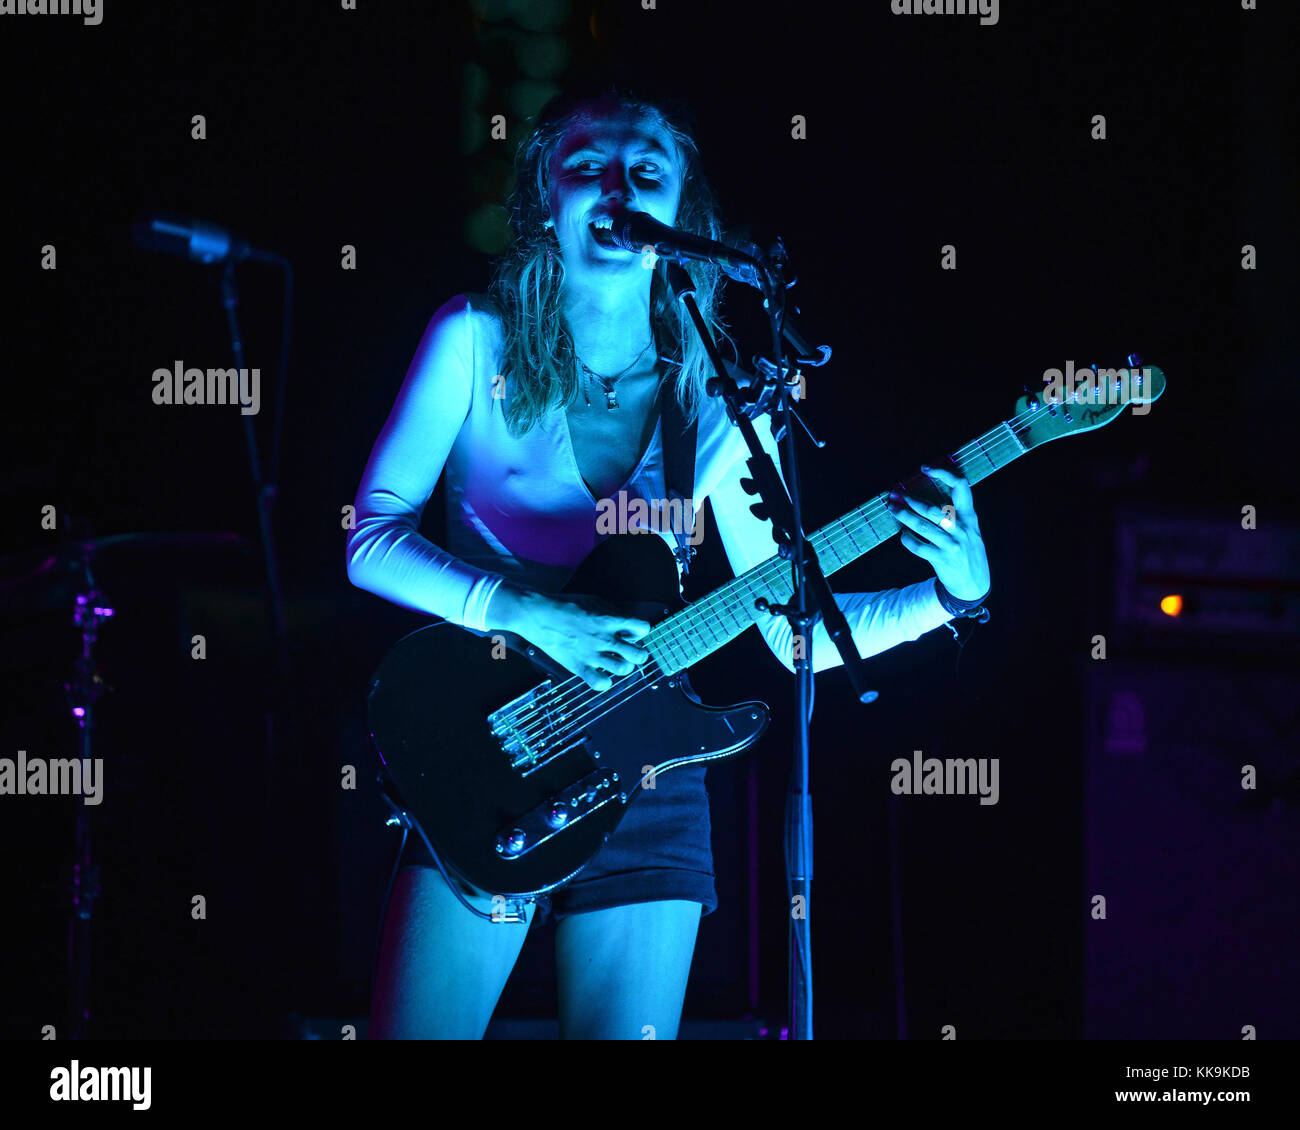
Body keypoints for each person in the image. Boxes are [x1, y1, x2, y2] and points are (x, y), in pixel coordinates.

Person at [346, 82, 990, 1040]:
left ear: (681, 212)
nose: (618, 187)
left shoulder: (719, 395)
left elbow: (792, 628)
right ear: (544, 196)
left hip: (646, 773)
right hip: (488, 749)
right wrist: (526, 613)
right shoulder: (472, 341)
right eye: (587, 167)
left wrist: (955, 594)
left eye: (646, 172)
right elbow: (371, 537)